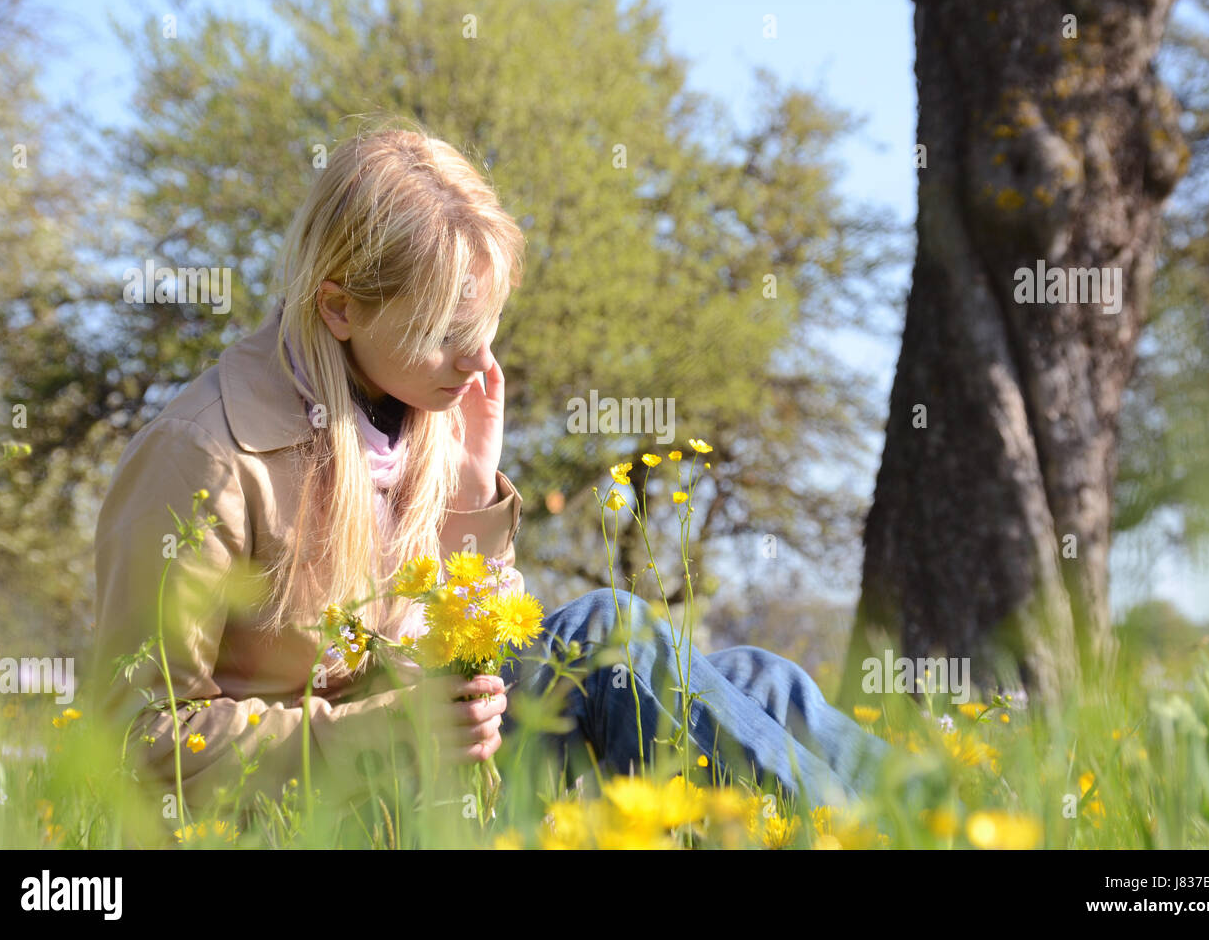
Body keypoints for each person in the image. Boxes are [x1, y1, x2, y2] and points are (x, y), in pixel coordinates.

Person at [86, 124, 885, 827]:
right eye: (446, 332)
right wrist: (379, 730)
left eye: (488, 322)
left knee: (753, 683)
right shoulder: (202, 453)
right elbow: (135, 737)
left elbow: (475, 651)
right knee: (611, 635)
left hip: (439, 776)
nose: (478, 360)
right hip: (320, 807)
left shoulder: (421, 403)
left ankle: (957, 810)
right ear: (339, 307)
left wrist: (472, 494)